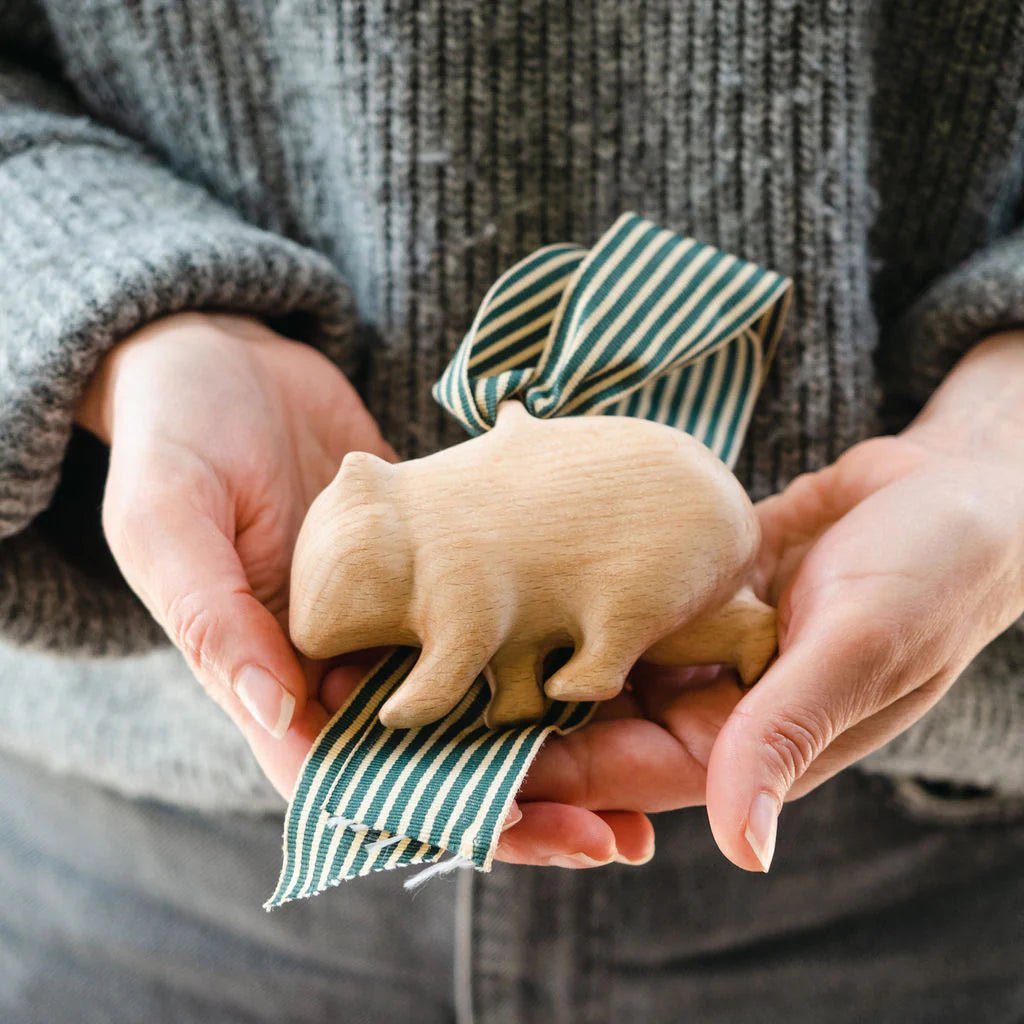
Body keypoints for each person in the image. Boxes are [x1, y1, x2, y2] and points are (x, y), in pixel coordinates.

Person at [1, 1, 1022, 1020]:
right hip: (138, 861)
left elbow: (467, 635)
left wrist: (999, 444)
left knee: (613, 601)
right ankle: (712, 632)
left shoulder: (435, 547)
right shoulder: (416, 521)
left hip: (925, 873)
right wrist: (128, 323)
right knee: (649, 605)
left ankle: (598, 658)